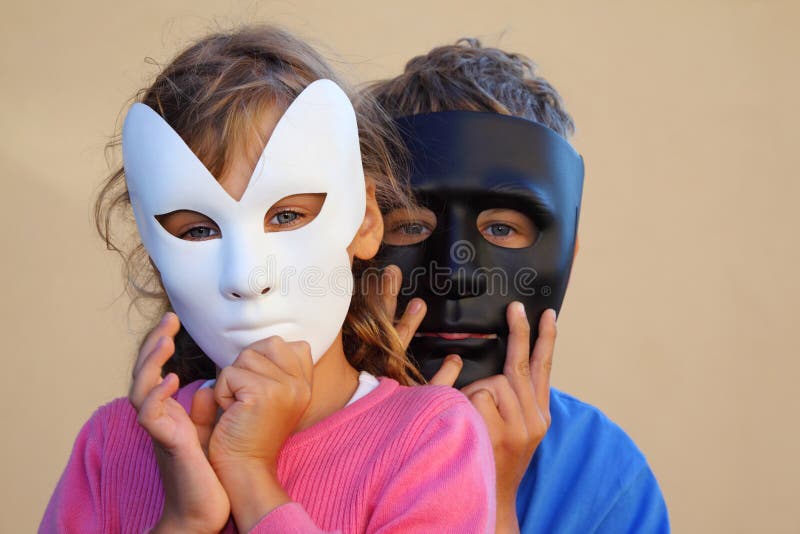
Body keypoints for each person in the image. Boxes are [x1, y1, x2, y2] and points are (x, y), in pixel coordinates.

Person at [40, 26, 495, 533]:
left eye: (286, 217)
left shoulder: (431, 439)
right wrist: (184, 520)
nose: (246, 277)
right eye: (198, 229)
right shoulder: (115, 445)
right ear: (155, 255)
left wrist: (251, 476)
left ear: (365, 221)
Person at [364, 39, 670, 533]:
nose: (453, 275)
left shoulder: (602, 477)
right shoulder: (273, 431)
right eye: (412, 226)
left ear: (565, 256)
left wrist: (493, 497)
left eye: (502, 229)